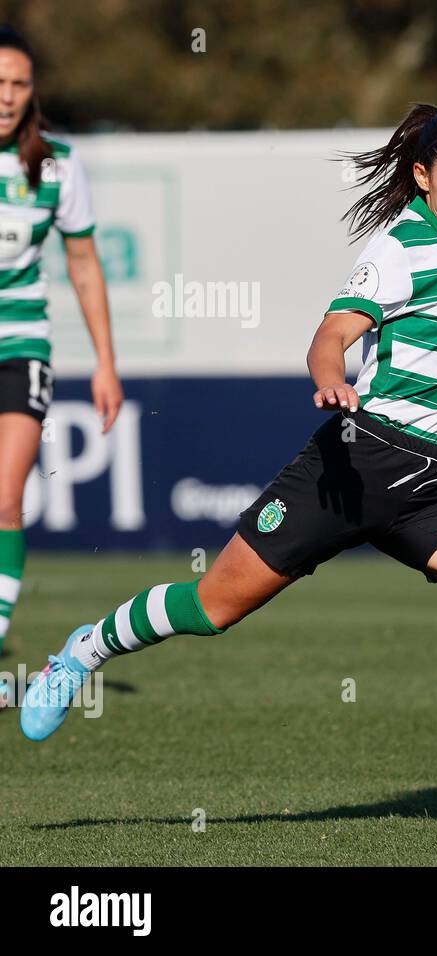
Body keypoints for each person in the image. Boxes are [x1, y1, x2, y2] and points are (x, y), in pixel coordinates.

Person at [19, 104, 437, 833]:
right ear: (422, 178)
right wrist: (330, 374)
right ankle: (80, 651)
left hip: (433, 490)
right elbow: (333, 331)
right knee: (212, 608)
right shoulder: (399, 250)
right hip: (356, 466)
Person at [0, 27, 122, 709]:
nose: (8, 96)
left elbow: (82, 263)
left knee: (6, 498)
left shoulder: (55, 166)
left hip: (21, 349)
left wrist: (106, 363)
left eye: (18, 83)